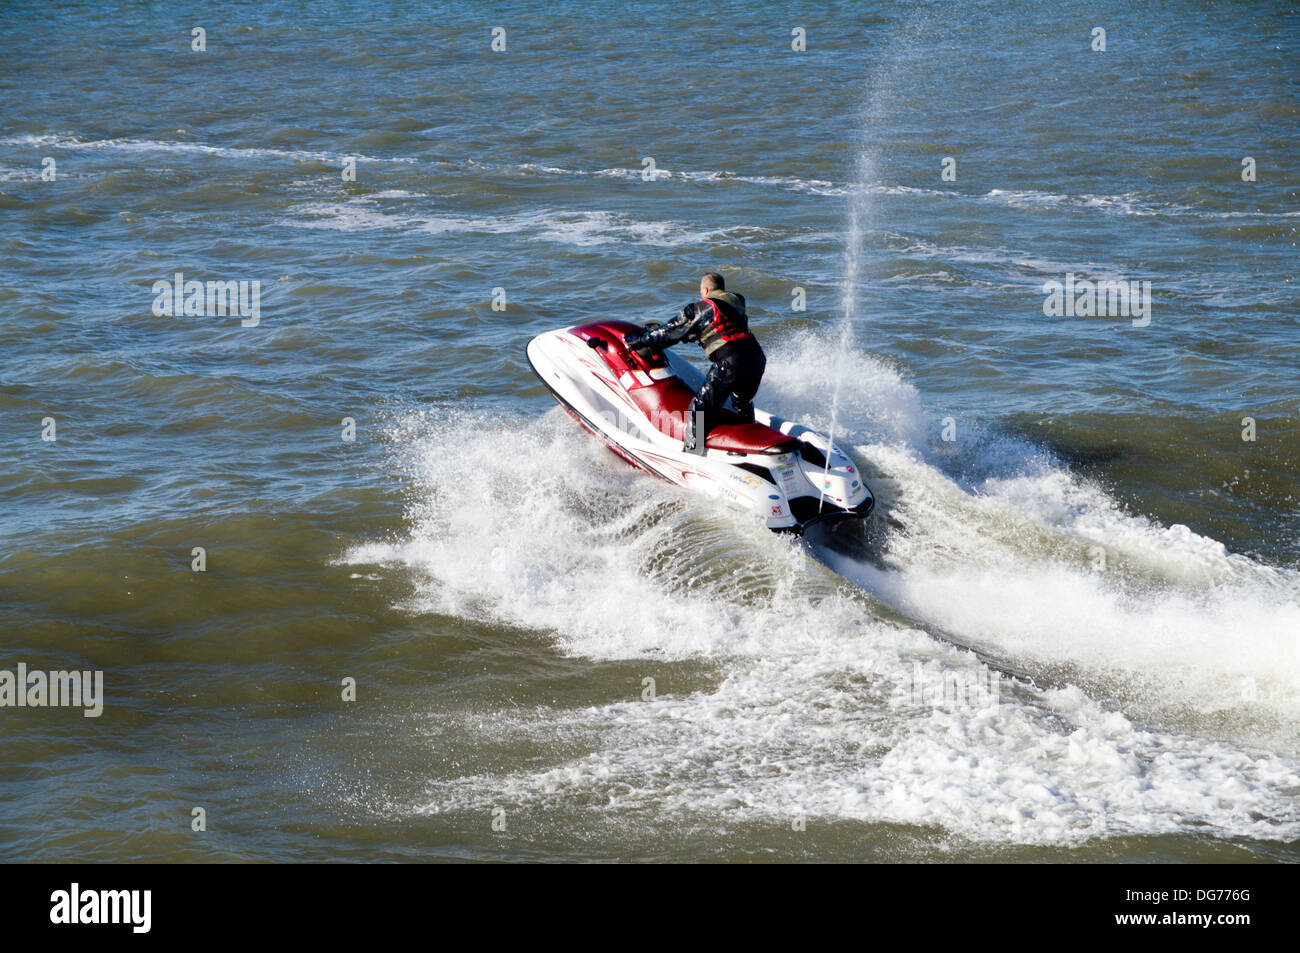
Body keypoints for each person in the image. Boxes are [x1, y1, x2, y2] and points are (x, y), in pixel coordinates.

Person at [625, 273, 766, 454]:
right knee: (741, 403)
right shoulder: (737, 301)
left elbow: (671, 330)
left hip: (731, 361)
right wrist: (694, 334)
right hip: (756, 358)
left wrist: (643, 340)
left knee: (699, 408)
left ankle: (692, 454)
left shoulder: (701, 308)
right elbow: (720, 325)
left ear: (705, 290)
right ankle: (748, 445)